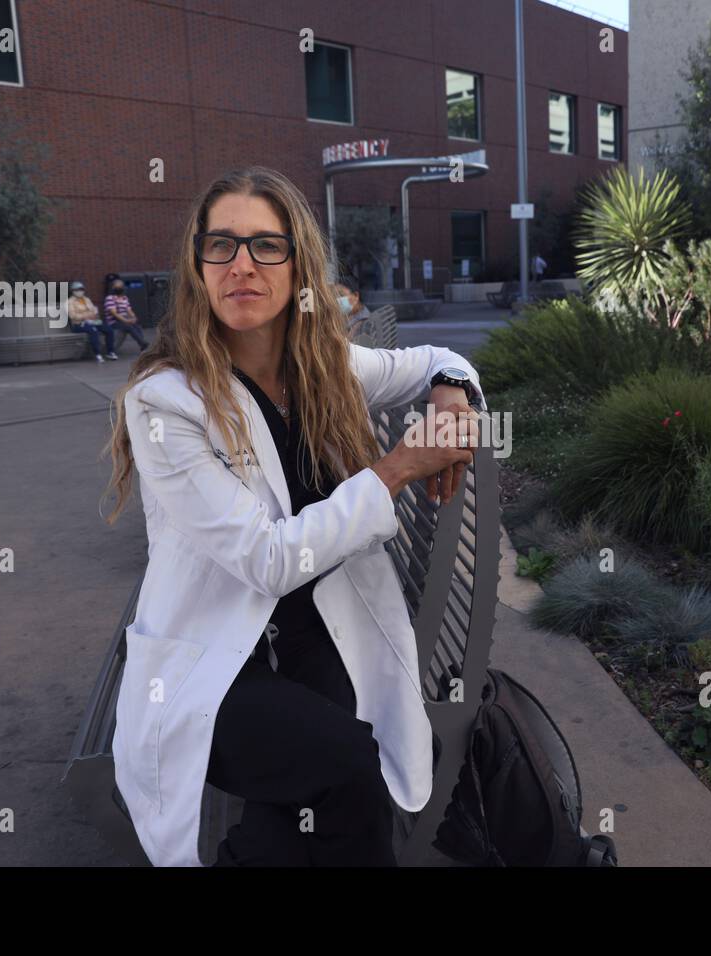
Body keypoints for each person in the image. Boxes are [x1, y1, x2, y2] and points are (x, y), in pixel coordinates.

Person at [104, 166, 484, 867]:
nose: (242, 265)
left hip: (315, 633)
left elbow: (437, 357)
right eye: (221, 245)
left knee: (343, 779)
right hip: (215, 661)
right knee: (344, 767)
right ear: (198, 266)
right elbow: (267, 559)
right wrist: (397, 468)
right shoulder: (167, 402)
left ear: (297, 264)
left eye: (265, 246)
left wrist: (452, 394)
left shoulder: (324, 366)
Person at [66, 280, 116, 362]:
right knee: (93, 330)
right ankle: (98, 354)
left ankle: (110, 352)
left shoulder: (86, 299)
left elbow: (93, 310)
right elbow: (73, 316)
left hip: (92, 321)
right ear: (73, 291)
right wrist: (86, 316)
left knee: (109, 329)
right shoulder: (70, 302)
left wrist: (95, 315)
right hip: (78, 324)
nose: (80, 291)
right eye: (77, 290)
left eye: (81, 289)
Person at [103, 278, 150, 354]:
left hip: (125, 320)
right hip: (113, 322)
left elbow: (129, 310)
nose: (119, 288)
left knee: (136, 325)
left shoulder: (125, 298)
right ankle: (143, 343)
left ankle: (143, 348)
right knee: (128, 325)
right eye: (117, 286)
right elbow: (114, 313)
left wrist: (133, 317)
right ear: (113, 288)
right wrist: (126, 320)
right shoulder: (110, 298)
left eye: (121, 286)